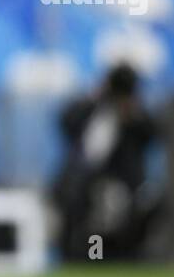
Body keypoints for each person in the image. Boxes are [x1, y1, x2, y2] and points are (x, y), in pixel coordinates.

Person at [53, 63, 160, 261]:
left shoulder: (135, 116)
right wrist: (94, 98)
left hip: (124, 183)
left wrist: (132, 112)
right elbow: (66, 123)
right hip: (87, 183)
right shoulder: (91, 110)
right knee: (73, 198)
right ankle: (75, 257)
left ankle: (128, 256)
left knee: (144, 205)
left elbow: (153, 134)